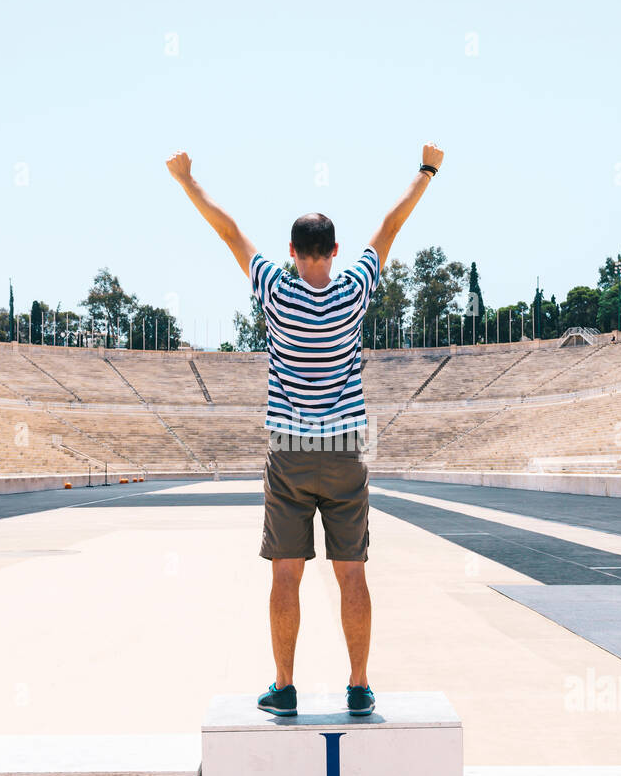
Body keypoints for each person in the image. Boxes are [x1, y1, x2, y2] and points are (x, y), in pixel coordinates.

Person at [166, 142, 444, 714]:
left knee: (286, 575)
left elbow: (229, 231)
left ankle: (285, 687)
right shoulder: (355, 287)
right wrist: (426, 171)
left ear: (291, 251)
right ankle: (360, 686)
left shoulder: (274, 285)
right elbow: (391, 226)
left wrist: (186, 179)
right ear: (336, 250)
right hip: (345, 450)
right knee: (352, 574)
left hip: (290, 450)